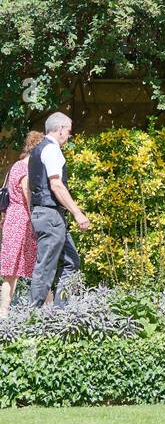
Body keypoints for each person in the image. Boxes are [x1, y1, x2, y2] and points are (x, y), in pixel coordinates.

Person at [29, 112, 90, 308]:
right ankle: (31, 318)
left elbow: (32, 188)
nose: (69, 136)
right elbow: (56, 185)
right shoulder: (52, 150)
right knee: (46, 266)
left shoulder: (37, 151)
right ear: (61, 129)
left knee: (71, 261)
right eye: (69, 131)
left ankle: (61, 311)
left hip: (45, 214)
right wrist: (77, 212)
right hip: (51, 215)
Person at [0, 131, 45, 316]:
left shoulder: (16, 166)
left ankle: (3, 313)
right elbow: (28, 196)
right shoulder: (26, 169)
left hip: (13, 218)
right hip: (23, 221)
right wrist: (38, 218)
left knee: (13, 271)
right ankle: (48, 310)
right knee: (39, 266)